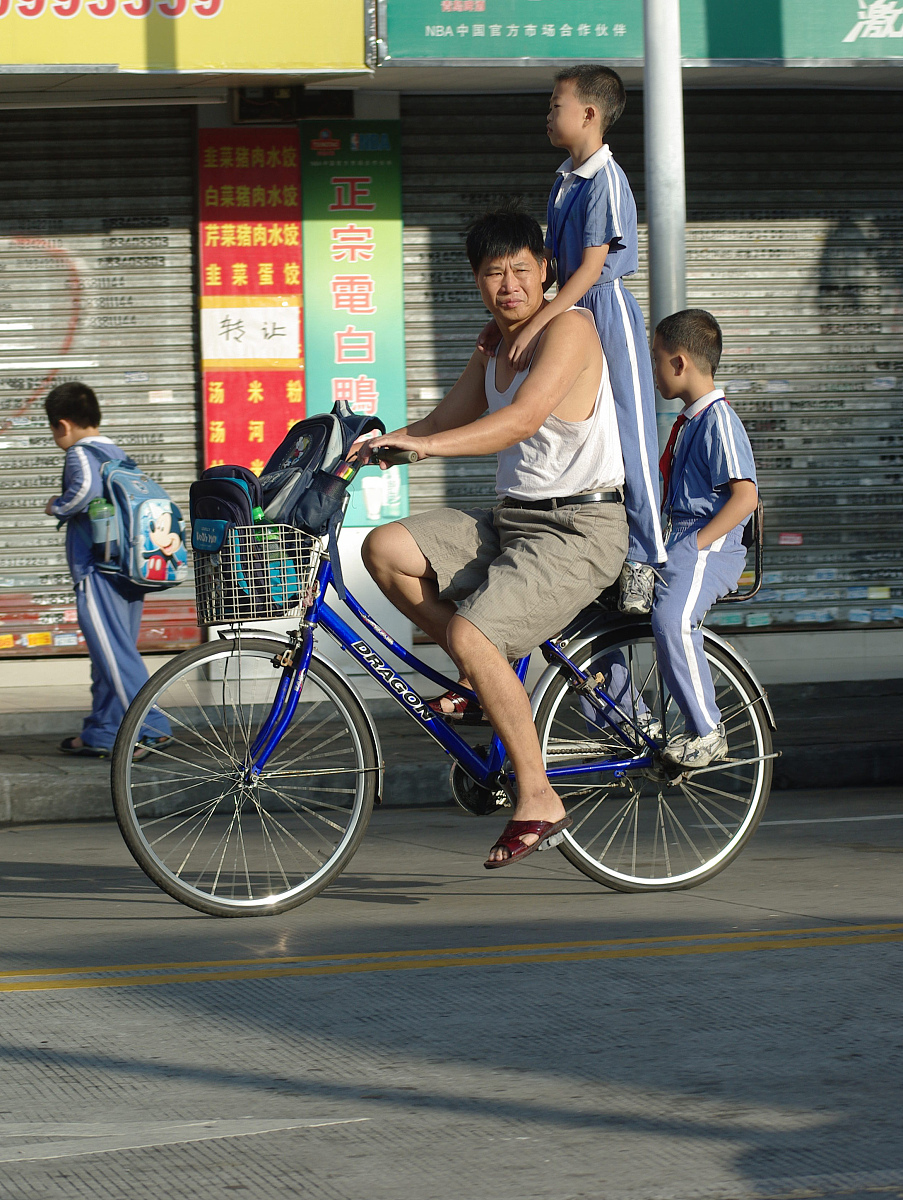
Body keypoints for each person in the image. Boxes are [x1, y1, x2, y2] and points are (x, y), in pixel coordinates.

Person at [360, 208, 628, 869]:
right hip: (513, 521)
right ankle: (483, 678)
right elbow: (448, 416)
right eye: (491, 273)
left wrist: (421, 450)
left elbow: (519, 420)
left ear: (544, 271)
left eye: (518, 270)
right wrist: (379, 442)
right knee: (384, 551)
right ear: (476, 282)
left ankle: (537, 798)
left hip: (579, 528)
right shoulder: (492, 344)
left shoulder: (569, 328)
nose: (506, 284)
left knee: (471, 635)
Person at [478, 64, 666, 614]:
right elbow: (554, 271)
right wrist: (515, 318)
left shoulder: (606, 178)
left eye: (555, 104)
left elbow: (588, 269)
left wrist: (537, 321)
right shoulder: (567, 177)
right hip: (569, 308)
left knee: (632, 432)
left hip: (603, 306)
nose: (547, 114)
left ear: (589, 113)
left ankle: (645, 556)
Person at [651, 309, 758, 768]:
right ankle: (631, 717)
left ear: (679, 363)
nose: (652, 370)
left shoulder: (718, 420)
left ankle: (707, 730)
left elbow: (745, 497)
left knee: (673, 622)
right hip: (679, 544)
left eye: (656, 360)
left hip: (706, 548)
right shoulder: (691, 422)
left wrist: (693, 547)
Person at [44, 381, 170, 760]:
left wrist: (58, 506)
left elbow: (81, 493)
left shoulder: (80, 453)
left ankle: (153, 728)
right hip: (128, 570)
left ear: (63, 425)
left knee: (113, 654)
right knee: (108, 653)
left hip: (98, 571)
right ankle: (103, 731)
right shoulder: (115, 452)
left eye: (53, 431)